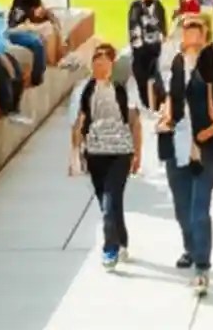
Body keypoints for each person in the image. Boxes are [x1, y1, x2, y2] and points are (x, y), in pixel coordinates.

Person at [157, 15, 213, 296]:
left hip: (206, 148)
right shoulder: (173, 66)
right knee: (182, 208)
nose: (190, 35)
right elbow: (165, 97)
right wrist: (165, 117)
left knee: (199, 210)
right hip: (176, 144)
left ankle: (202, 266)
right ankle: (190, 249)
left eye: (196, 30)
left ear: (204, 37)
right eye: (186, 30)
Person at [68, 43, 142, 270]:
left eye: (105, 62)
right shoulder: (84, 90)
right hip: (95, 152)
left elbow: (135, 123)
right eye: (96, 61)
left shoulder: (122, 89)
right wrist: (75, 155)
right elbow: (78, 122)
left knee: (110, 200)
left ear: (112, 65)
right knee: (108, 203)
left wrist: (138, 152)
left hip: (120, 151)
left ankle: (109, 248)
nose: (101, 66)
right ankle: (121, 240)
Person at [8, 0, 68, 65]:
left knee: (52, 28)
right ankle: (51, 63)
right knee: (49, 29)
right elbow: (36, 13)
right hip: (21, 25)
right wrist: (50, 17)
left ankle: (56, 59)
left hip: (20, 24)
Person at [128, 0, 169, 112]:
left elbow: (162, 25)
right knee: (142, 75)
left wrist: (163, 36)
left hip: (155, 47)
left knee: (155, 75)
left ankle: (160, 101)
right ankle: (147, 102)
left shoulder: (158, 6)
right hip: (141, 49)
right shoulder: (135, 6)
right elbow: (133, 24)